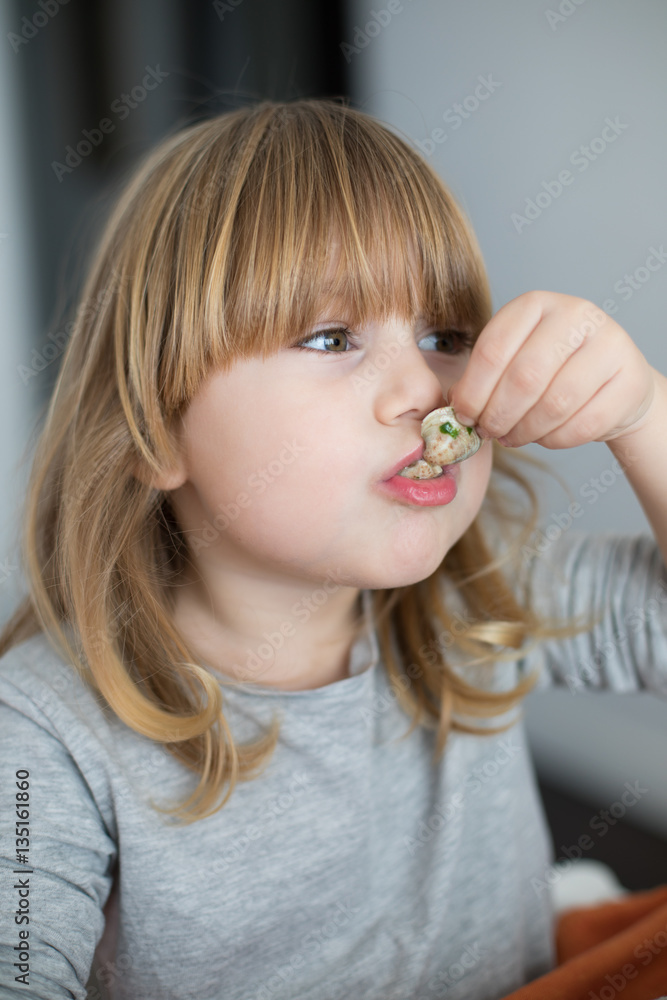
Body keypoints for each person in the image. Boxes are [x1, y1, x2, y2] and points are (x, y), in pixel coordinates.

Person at [0, 98, 666, 1000]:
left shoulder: (483, 602)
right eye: (330, 338)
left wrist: (641, 415)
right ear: (155, 432)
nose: (425, 391)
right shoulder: (42, 734)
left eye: (445, 338)